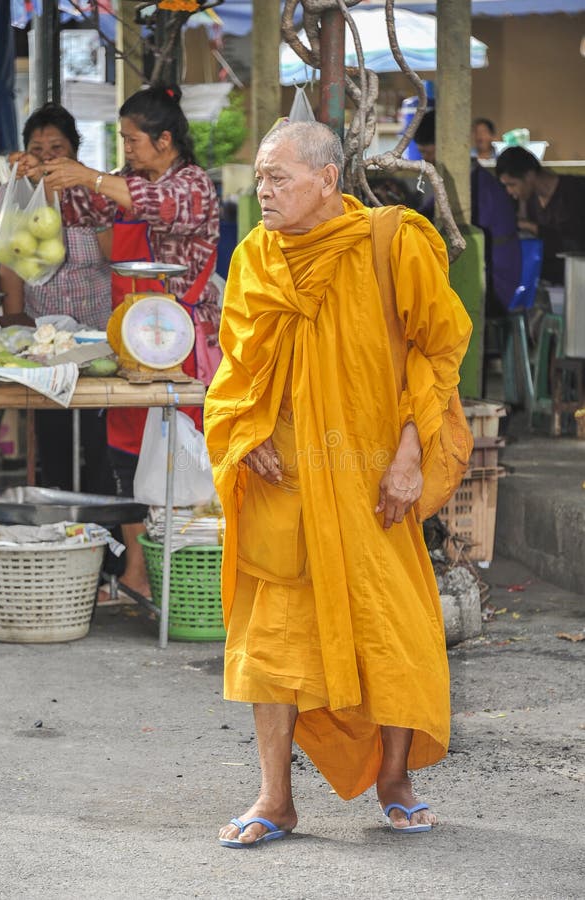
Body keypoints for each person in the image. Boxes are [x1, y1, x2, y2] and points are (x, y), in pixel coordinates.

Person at [204, 121, 472, 847]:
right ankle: (273, 798)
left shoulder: (391, 241)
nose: (263, 190)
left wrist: (411, 453)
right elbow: (237, 365)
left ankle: (394, 777)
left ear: (327, 179)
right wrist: (246, 430)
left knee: (389, 626)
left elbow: (439, 348)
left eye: (278, 176)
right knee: (271, 643)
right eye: (259, 177)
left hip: (370, 476)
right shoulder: (258, 254)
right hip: (283, 478)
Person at [43, 85, 221, 599]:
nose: (127, 150)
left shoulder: (192, 186)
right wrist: (47, 177)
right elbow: (85, 210)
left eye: (132, 139)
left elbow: (158, 206)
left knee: (180, 458)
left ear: (165, 140)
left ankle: (184, 575)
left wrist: (90, 174)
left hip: (183, 341)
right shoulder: (128, 180)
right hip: (130, 336)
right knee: (128, 452)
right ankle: (138, 575)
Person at [0, 103, 113, 494]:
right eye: (37, 149)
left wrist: (83, 200)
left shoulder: (95, 190)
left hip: (99, 335)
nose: (46, 157)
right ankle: (61, 519)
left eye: (56, 147)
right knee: (54, 434)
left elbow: (115, 254)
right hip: (46, 341)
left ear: (74, 150)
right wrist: (16, 323)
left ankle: (108, 528)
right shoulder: (15, 194)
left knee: (102, 437)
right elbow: (6, 261)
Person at [413, 110, 521, 314]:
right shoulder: (460, 180)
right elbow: (423, 215)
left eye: (428, 153)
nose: (426, 160)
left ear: (446, 148)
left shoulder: (478, 186)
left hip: (495, 286)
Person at [496, 145, 585, 286]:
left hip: (578, 282)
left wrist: (532, 227)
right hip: (549, 286)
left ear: (530, 176)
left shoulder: (574, 192)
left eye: (512, 184)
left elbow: (574, 245)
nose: (509, 191)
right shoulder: (529, 198)